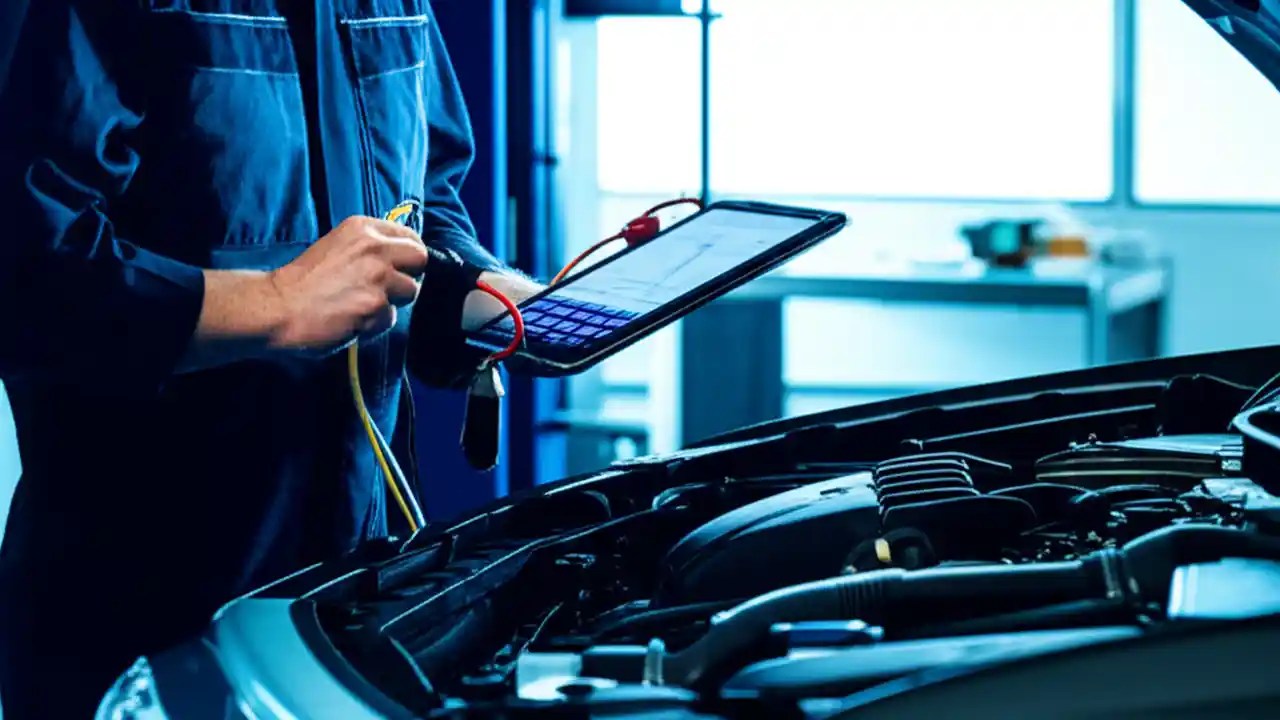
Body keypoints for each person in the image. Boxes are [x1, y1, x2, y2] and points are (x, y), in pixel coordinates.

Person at [0, 1, 540, 716]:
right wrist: (277, 303)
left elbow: (427, 205)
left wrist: (490, 294)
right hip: (143, 612)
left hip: (360, 596)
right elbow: (25, 274)